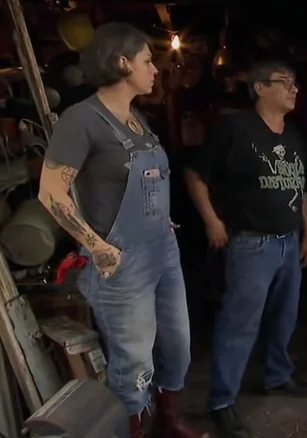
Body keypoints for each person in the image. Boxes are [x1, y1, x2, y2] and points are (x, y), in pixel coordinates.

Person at [38, 22, 206, 438]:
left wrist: (159, 217)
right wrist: (96, 247)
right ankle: (131, 431)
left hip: (162, 250)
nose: (155, 70)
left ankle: (167, 421)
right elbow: (51, 192)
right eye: (148, 61)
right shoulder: (82, 120)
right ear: (122, 63)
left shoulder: (136, 119)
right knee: (133, 362)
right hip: (122, 260)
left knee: (178, 345)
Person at [185, 59, 307, 438]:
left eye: (295, 83)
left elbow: (300, 188)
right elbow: (195, 174)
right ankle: (221, 402)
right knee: (239, 325)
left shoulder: (294, 137)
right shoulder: (235, 128)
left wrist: (306, 234)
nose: (294, 89)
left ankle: (278, 376)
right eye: (284, 82)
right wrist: (212, 221)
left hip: (289, 243)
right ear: (259, 88)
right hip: (252, 244)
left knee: (285, 319)